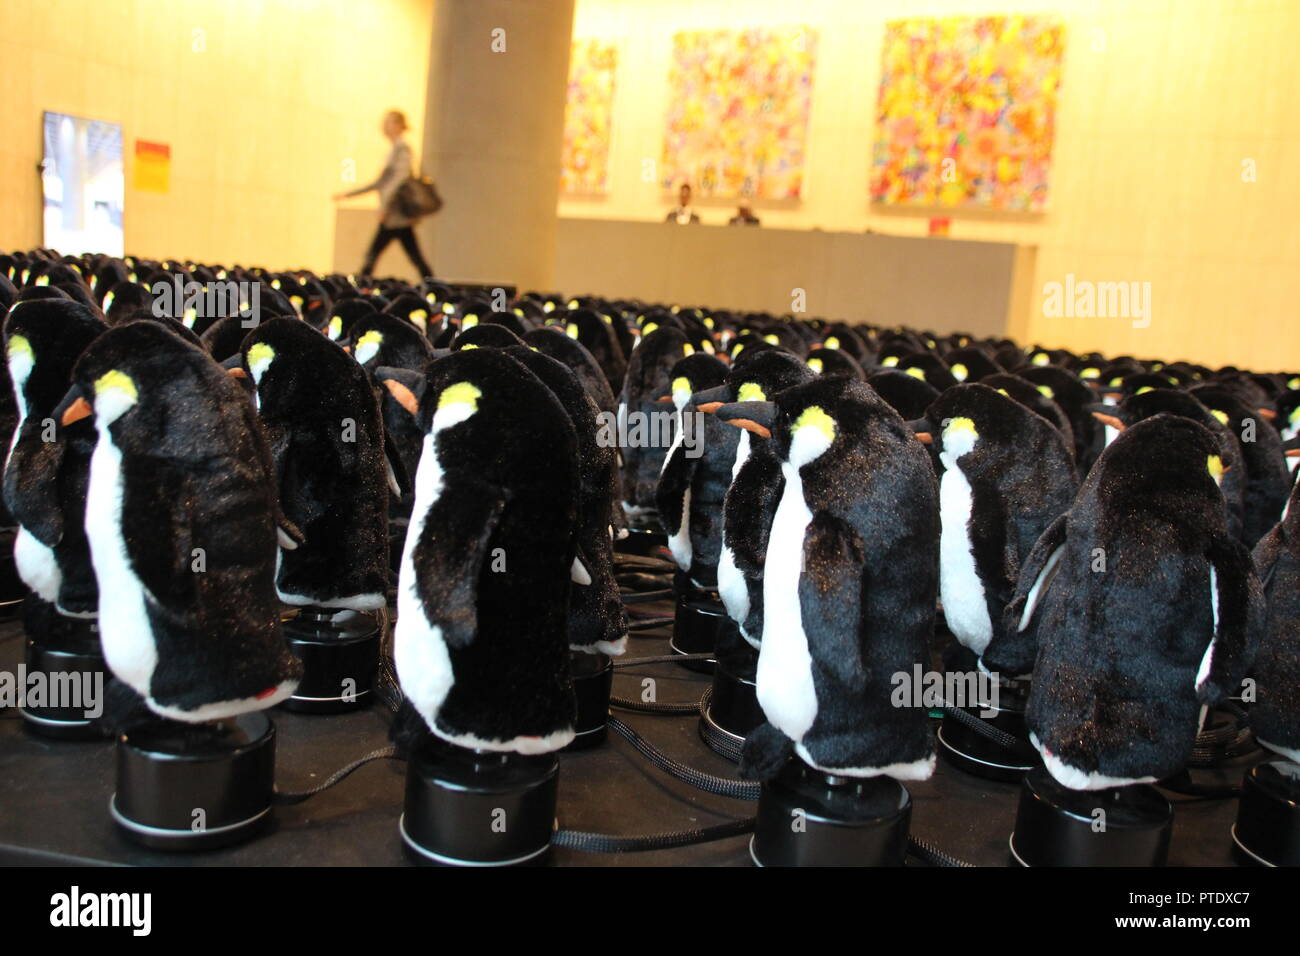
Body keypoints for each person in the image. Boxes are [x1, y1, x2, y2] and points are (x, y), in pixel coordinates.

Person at [333, 109, 434, 279]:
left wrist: (385, 207)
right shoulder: (395, 149)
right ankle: (431, 282)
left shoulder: (402, 149)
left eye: (387, 123)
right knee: (410, 253)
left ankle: (363, 282)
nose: (383, 127)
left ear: (397, 125)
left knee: (376, 253)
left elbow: (398, 180)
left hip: (394, 214)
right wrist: (348, 194)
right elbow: (380, 183)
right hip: (395, 216)